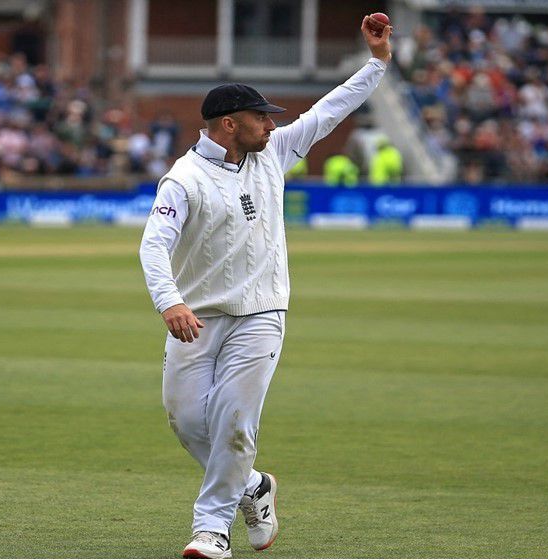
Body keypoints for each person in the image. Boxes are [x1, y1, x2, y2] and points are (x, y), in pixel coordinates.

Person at [139, 15, 392, 560]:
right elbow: (152, 246)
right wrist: (171, 302)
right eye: (261, 117)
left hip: (261, 314)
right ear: (229, 124)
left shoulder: (271, 155)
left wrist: (376, 62)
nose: (273, 126)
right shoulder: (183, 179)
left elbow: (326, 113)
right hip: (198, 316)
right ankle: (253, 486)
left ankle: (211, 530)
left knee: (234, 420)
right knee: (187, 422)